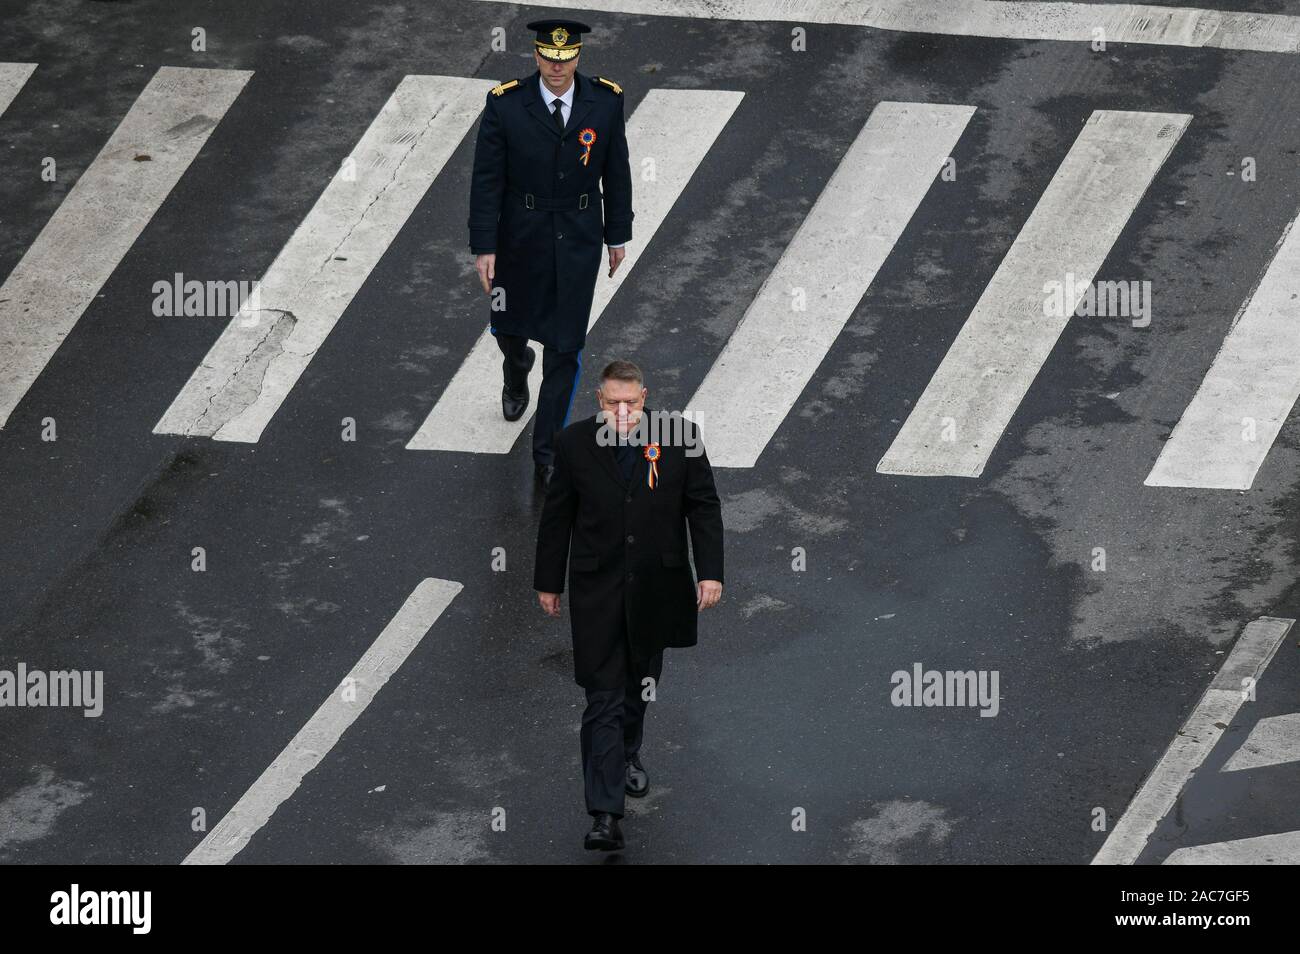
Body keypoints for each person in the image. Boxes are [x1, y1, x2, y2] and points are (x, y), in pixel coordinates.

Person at [534, 360, 724, 851]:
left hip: (657, 588)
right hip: (597, 590)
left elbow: (702, 505)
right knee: (602, 696)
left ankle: (628, 752)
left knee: (640, 682)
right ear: (599, 400)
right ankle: (604, 813)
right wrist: (547, 582)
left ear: (646, 396)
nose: (622, 410)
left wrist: (710, 572)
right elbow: (558, 517)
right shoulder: (574, 444)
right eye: (613, 402)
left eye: (632, 402)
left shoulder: (680, 437)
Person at [467, 18, 634, 487]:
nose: (557, 68)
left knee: (566, 348)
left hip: (578, 238)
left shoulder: (604, 100)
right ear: (536, 56)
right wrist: (484, 246)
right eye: (548, 57)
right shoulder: (506, 105)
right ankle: (516, 367)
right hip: (520, 237)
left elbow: (615, 170)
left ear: (577, 57)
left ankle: (548, 453)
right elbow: (486, 179)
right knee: (508, 327)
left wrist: (616, 235)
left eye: (565, 59)